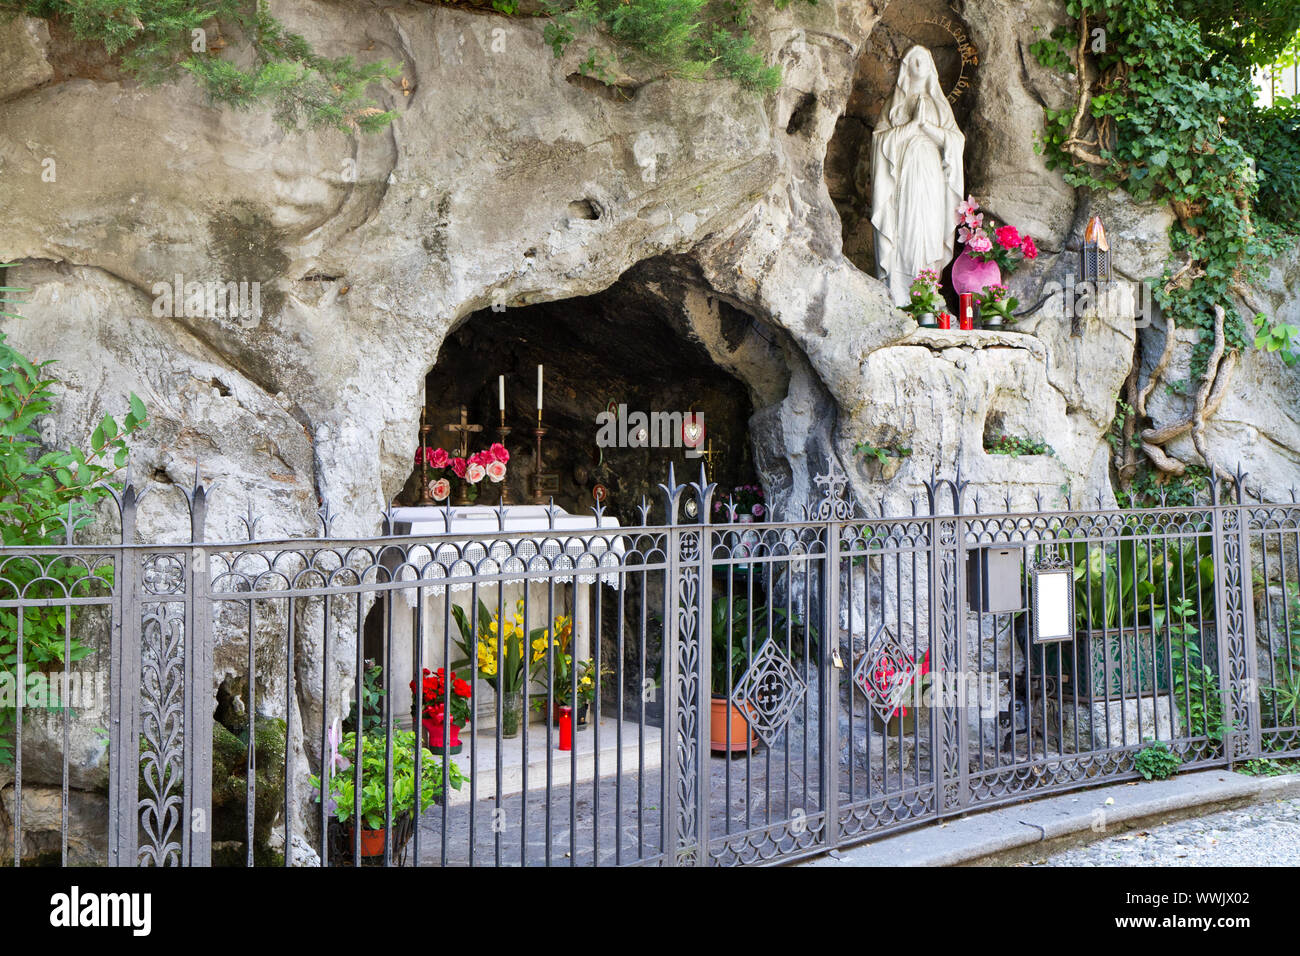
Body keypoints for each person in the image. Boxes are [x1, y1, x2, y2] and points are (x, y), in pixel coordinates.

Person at [870, 46, 965, 307]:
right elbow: (879, 142)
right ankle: (900, 293)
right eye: (913, 59)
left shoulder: (939, 105)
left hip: (932, 176)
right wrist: (911, 127)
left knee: (930, 227)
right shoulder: (894, 106)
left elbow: (956, 141)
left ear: (931, 67)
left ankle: (927, 291)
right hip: (904, 175)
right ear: (905, 66)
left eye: (923, 59)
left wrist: (927, 127)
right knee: (906, 225)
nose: (918, 63)